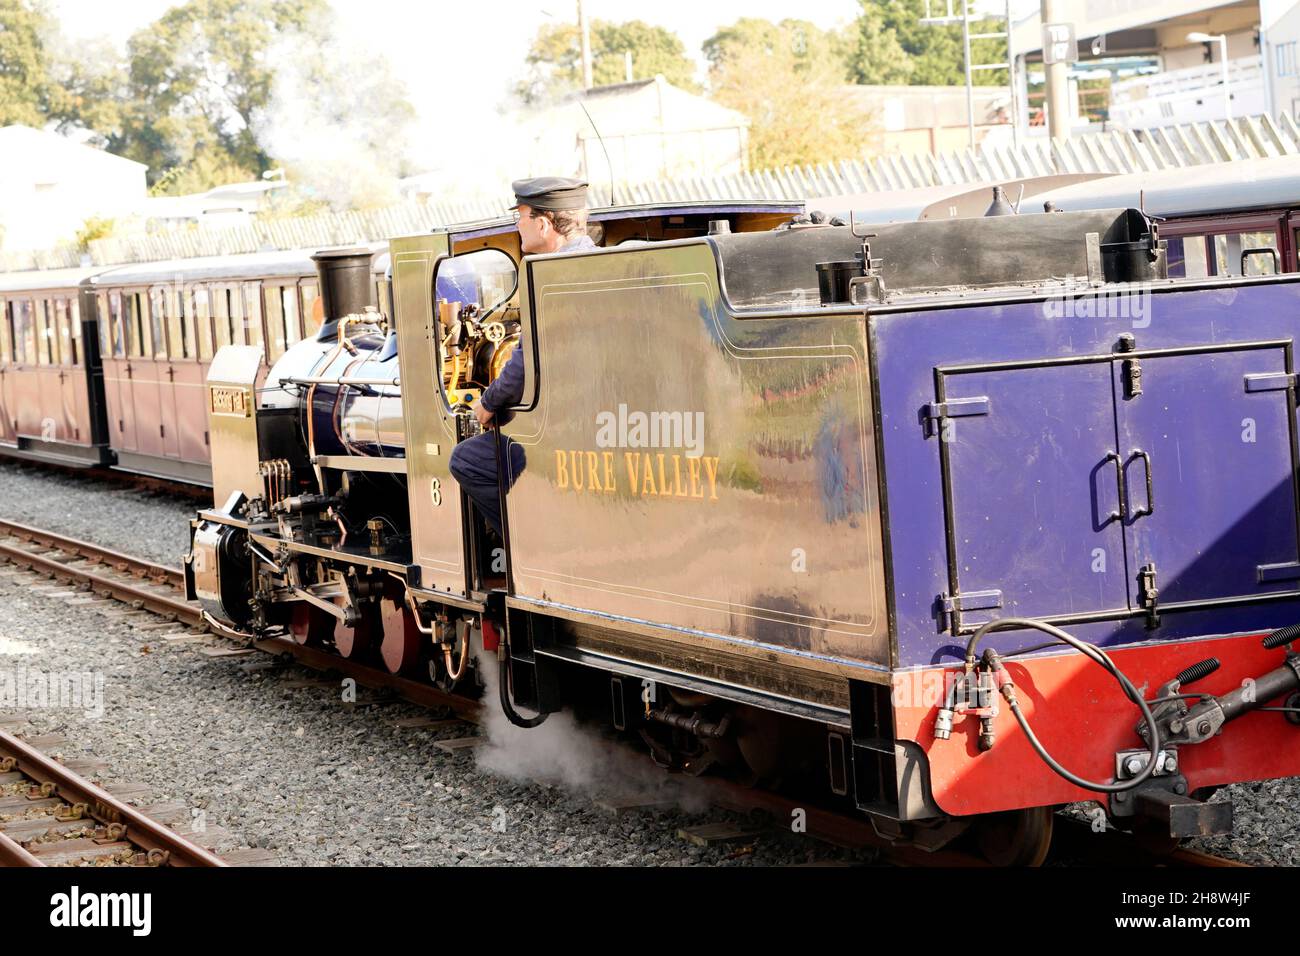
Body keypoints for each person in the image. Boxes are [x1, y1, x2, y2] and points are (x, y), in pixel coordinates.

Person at [448, 177, 598, 537]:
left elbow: (526, 360)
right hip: (603, 420)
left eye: (521, 216)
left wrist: (488, 403)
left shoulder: (555, 276)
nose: (517, 225)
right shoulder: (597, 261)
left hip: (570, 432)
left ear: (543, 224)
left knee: (466, 459)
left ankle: (531, 545)